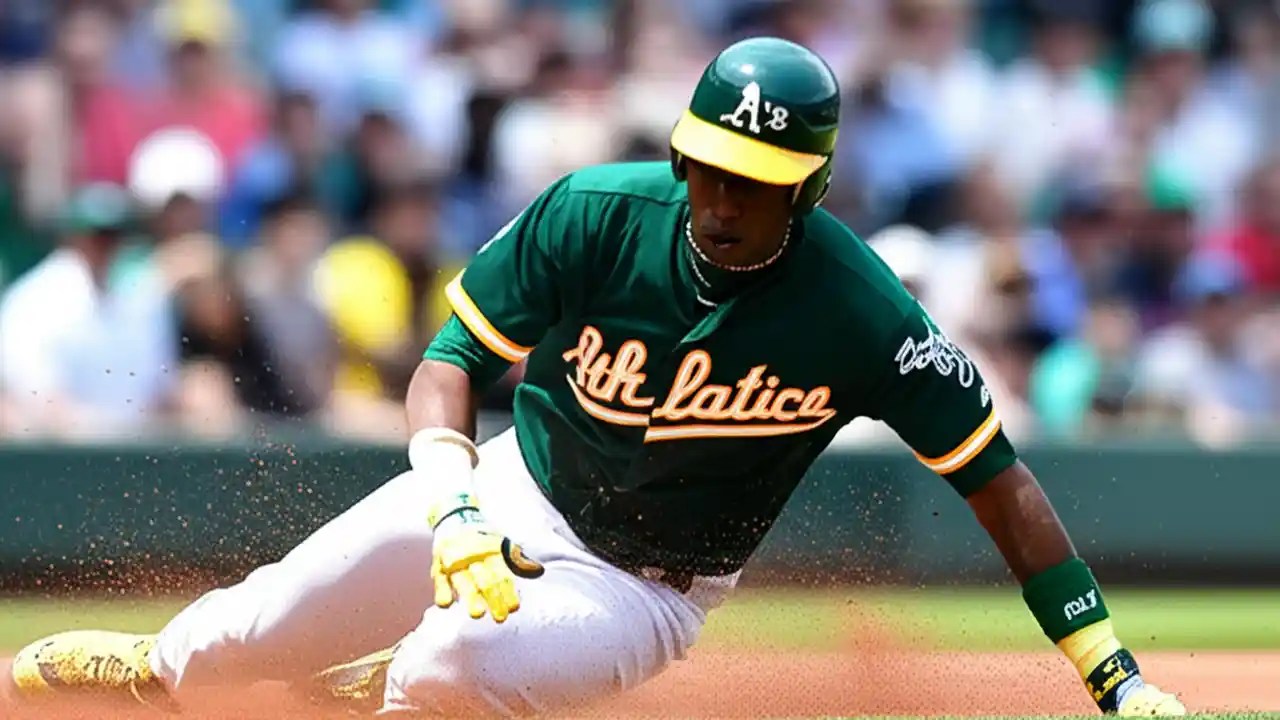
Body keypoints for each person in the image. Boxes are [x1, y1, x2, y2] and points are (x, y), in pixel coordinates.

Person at [5, 37, 1185, 718]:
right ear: (679, 154)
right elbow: (449, 359)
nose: (722, 204)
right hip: (514, 490)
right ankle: (165, 673)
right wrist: (456, 499)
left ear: (810, 189)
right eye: (709, 171)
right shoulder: (596, 213)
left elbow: (998, 484)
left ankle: (389, 678)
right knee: (240, 636)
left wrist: (1114, 679)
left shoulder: (858, 310)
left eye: (757, 182)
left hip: (646, 585)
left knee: (442, 672)